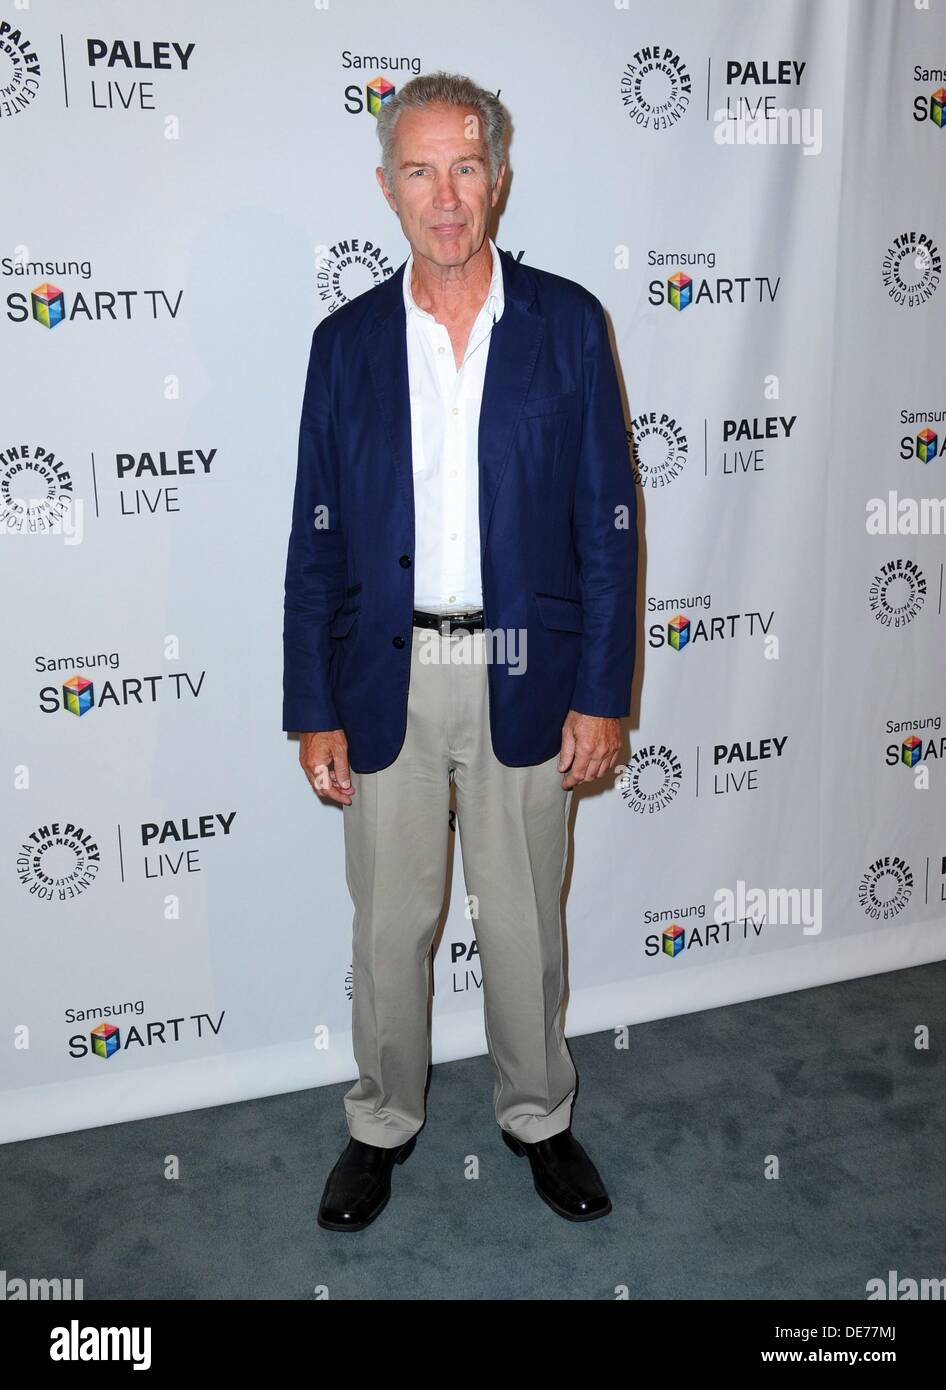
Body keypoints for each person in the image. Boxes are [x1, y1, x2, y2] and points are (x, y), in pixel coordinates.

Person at [283, 70, 637, 1230]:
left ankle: (538, 1115)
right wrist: (312, 704)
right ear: (386, 186)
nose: (447, 196)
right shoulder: (342, 346)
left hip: (530, 665)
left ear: (498, 177)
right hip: (385, 673)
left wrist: (601, 693)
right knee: (388, 924)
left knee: (526, 914)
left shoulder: (568, 325)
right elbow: (314, 536)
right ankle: (381, 1122)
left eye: (467, 166)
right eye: (422, 171)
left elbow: (604, 520)